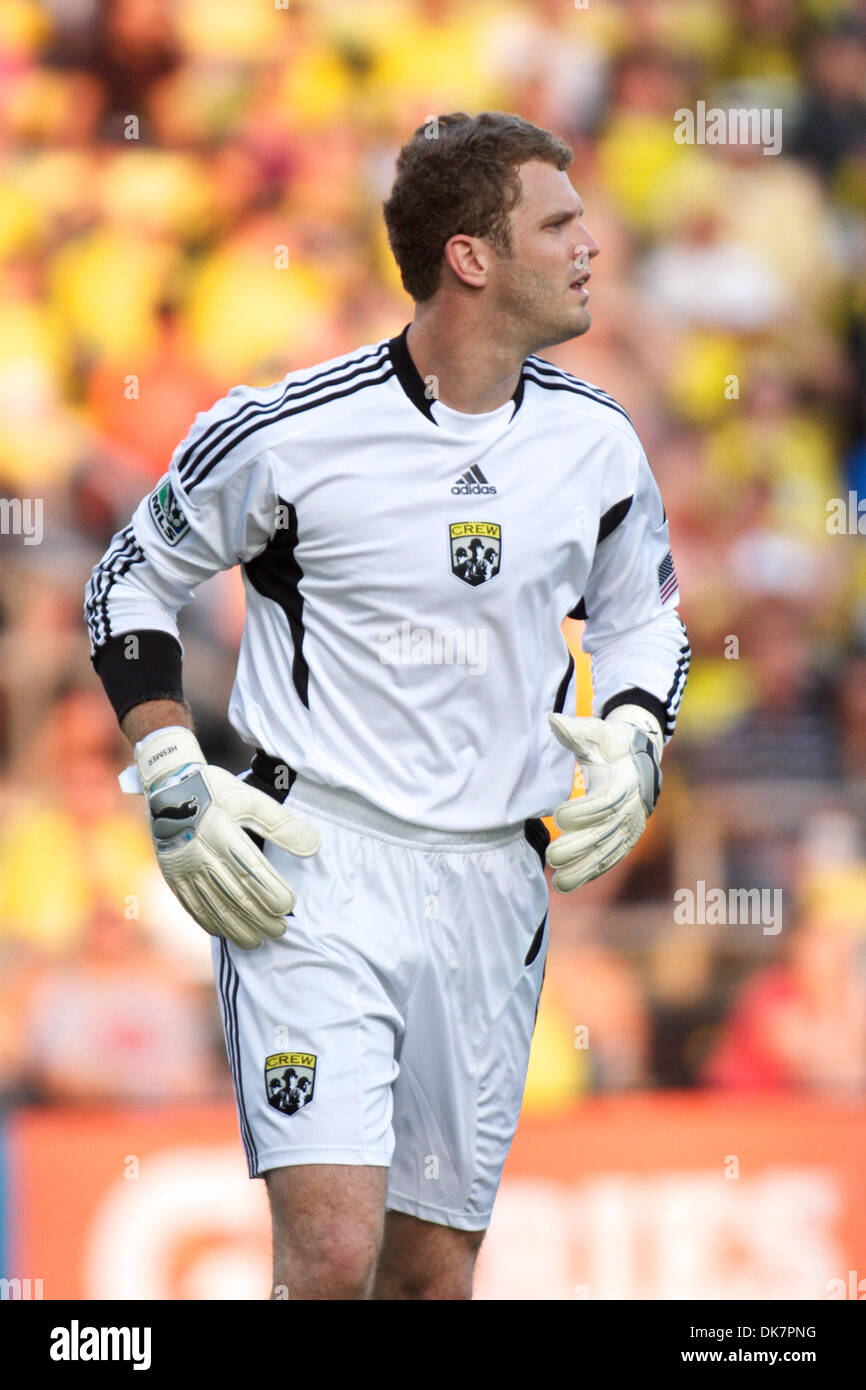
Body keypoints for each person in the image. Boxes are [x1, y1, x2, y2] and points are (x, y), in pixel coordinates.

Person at [84, 111, 688, 1300]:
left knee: (427, 1277)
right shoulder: (286, 433)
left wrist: (632, 734)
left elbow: (643, 616)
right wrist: (166, 767)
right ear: (471, 256)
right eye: (557, 221)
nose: (589, 245)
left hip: (492, 878)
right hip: (316, 865)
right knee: (325, 1256)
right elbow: (128, 576)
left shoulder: (597, 444)